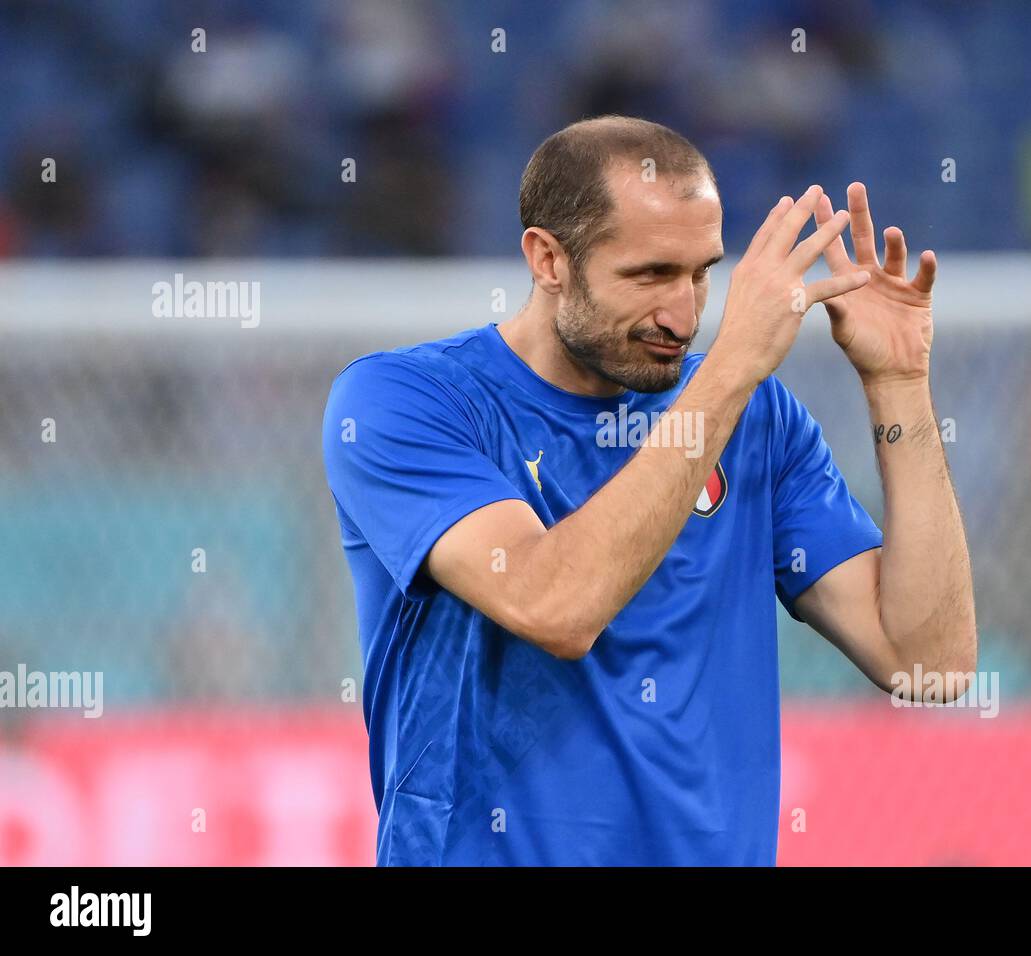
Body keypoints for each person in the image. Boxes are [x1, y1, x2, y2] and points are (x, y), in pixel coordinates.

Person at [322, 115, 976, 865]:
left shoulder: (753, 414)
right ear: (548, 260)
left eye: (702, 272)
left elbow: (930, 661)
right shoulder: (405, 402)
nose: (685, 314)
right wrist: (732, 369)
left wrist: (898, 384)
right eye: (650, 275)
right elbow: (556, 605)